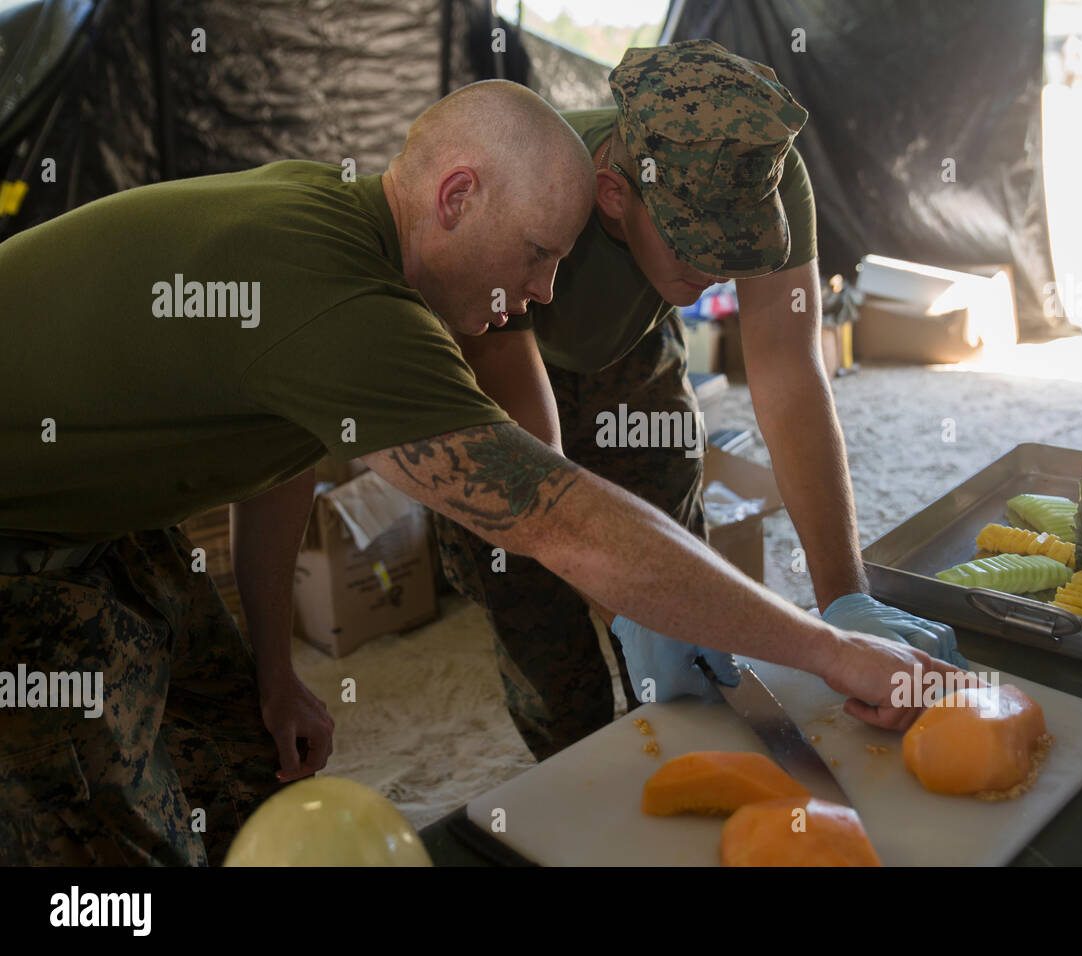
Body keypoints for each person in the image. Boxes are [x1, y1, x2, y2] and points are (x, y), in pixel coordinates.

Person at [0, 80, 595, 864]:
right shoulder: (341, 300)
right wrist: (807, 639)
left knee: (250, 769)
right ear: (457, 198)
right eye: (537, 254)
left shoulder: (346, 227)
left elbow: (279, 460)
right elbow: (548, 509)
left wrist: (277, 674)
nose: (543, 291)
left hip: (91, 509)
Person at [434, 40, 969, 761]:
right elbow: (543, 485)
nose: (717, 271)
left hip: (635, 361)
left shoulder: (762, 165)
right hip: (500, 378)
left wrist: (846, 600)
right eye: (695, 246)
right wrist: (633, 611)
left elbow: (787, 373)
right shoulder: (531, 194)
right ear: (615, 197)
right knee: (550, 649)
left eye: (736, 247)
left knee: (691, 644)